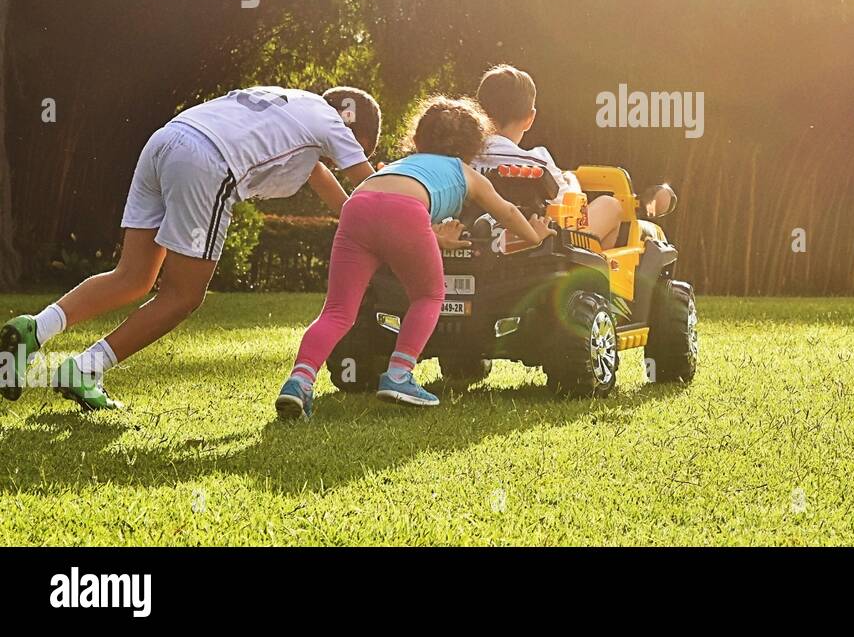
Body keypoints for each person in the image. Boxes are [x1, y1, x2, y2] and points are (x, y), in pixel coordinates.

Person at [0, 86, 381, 411]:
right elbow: (375, 194)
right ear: (354, 127)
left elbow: (330, 186)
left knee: (132, 276)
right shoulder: (335, 124)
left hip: (166, 140)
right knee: (182, 296)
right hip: (206, 162)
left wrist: (357, 223)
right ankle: (85, 369)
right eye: (360, 146)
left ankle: (34, 327)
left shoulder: (292, 103)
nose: (344, 153)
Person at [275, 96, 552, 419]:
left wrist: (434, 238)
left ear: (418, 139)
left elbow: (387, 213)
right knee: (429, 295)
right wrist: (535, 235)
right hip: (405, 213)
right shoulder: (467, 173)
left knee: (337, 312)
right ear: (474, 145)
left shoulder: (401, 166)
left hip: (358, 206)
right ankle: (399, 375)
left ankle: (299, 381)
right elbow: (506, 211)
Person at [472, 64, 626, 247]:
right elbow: (571, 209)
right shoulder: (537, 161)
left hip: (477, 241)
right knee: (611, 205)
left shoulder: (462, 158)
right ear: (530, 118)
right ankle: (593, 274)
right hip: (535, 246)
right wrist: (572, 180)